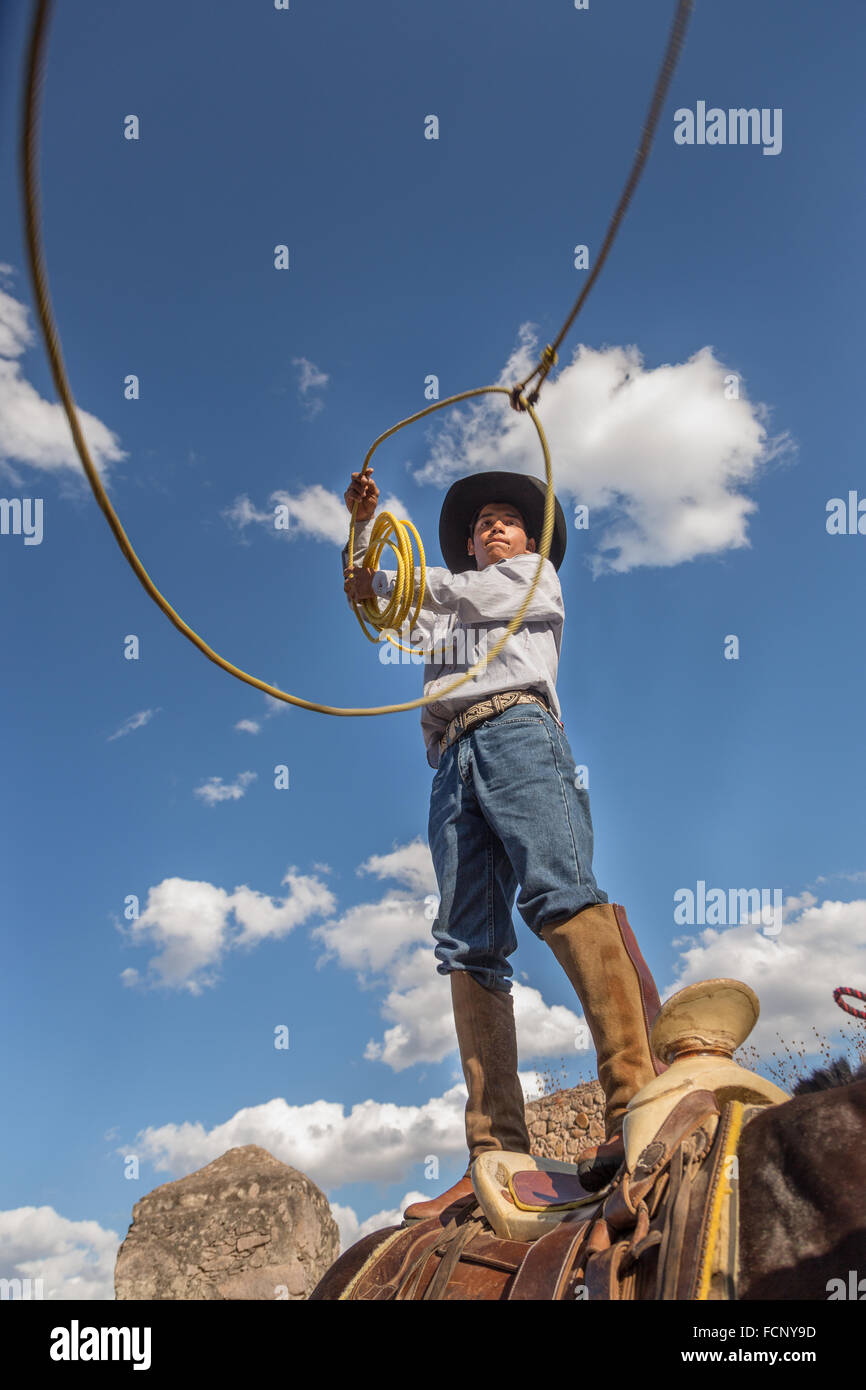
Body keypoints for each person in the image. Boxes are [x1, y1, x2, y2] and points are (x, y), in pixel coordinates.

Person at [342, 466, 666, 1219]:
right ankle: (494, 1149)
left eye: (505, 520)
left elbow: (421, 592)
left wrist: (392, 578)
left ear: (526, 540)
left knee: (559, 889)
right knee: (465, 942)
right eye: (481, 521)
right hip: (451, 758)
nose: (491, 527)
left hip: (518, 731)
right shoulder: (447, 604)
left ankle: (633, 1101)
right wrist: (362, 528)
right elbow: (379, 603)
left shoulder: (530, 579)